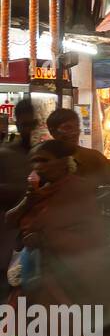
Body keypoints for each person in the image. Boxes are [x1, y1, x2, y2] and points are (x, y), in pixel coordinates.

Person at [4, 140, 107, 336]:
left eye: (45, 160)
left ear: (65, 161)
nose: (38, 167)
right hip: (29, 274)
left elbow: (91, 235)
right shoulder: (37, 191)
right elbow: (10, 220)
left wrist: (48, 239)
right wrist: (29, 200)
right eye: (34, 162)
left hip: (61, 276)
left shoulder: (78, 190)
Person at [44, 108, 110, 191]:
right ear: (53, 132)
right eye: (67, 128)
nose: (74, 132)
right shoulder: (42, 158)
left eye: (76, 127)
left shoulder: (93, 157)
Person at [0, 99, 38, 281]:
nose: (27, 129)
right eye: (24, 124)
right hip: (8, 226)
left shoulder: (41, 154)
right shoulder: (5, 154)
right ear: (17, 123)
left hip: (32, 226)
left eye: (30, 124)